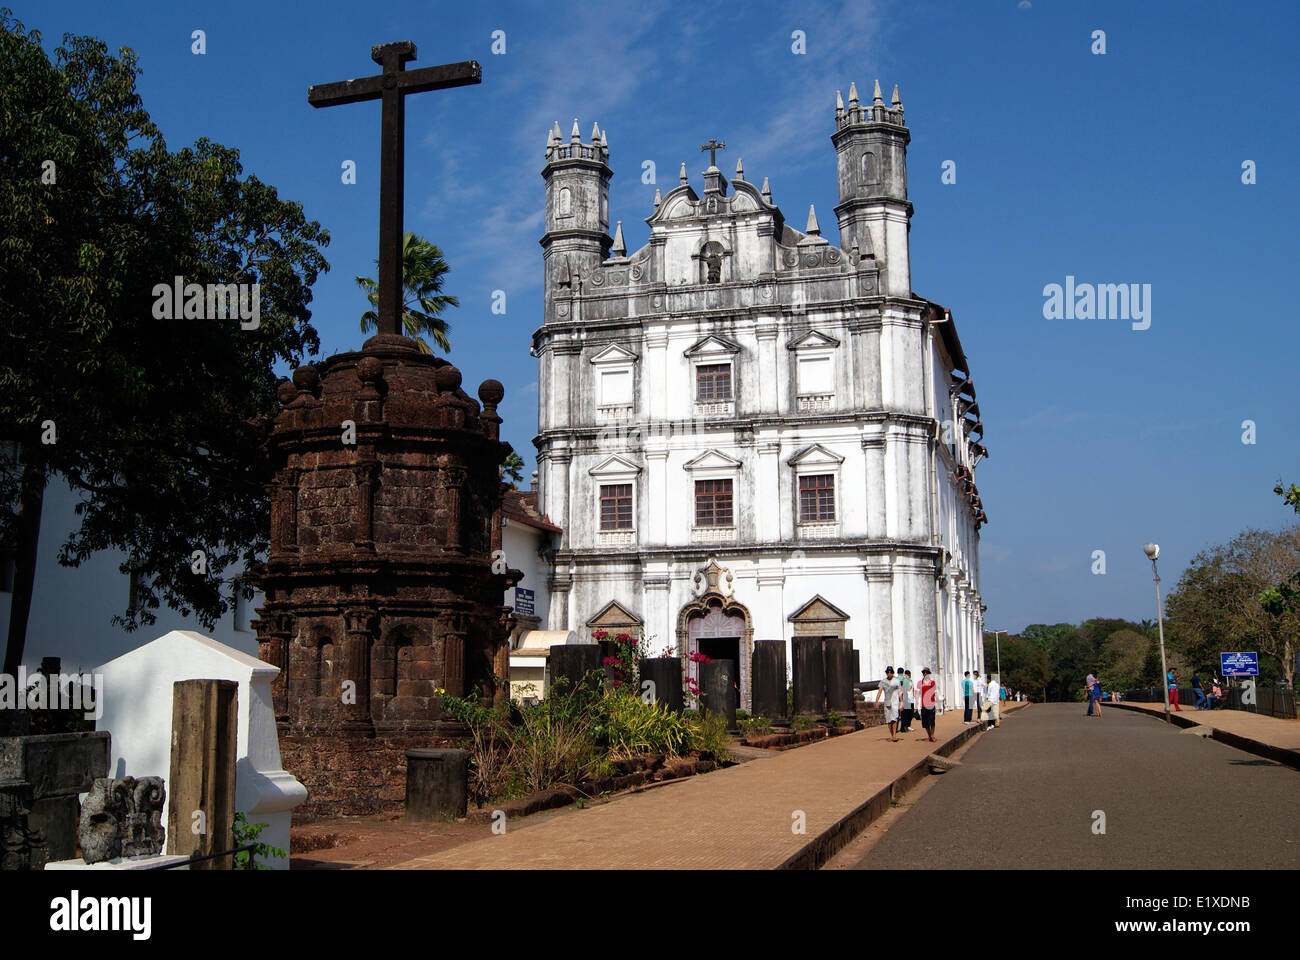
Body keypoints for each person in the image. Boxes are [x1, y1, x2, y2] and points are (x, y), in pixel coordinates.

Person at [876, 666, 902, 741]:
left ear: (893, 673)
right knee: (888, 720)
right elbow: (880, 691)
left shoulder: (896, 681)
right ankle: (891, 735)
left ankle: (894, 735)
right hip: (887, 702)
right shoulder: (883, 682)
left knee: (894, 718)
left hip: (895, 702)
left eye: (890, 672)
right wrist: (877, 701)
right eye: (888, 672)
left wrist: (902, 702)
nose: (889, 673)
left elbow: (900, 692)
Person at [919, 668, 938, 742]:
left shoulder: (932, 682)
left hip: (931, 704)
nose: (925, 674)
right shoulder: (921, 683)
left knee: (932, 721)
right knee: (925, 722)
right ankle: (929, 735)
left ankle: (932, 735)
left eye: (926, 673)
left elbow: (935, 692)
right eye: (924, 673)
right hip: (923, 705)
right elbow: (918, 693)